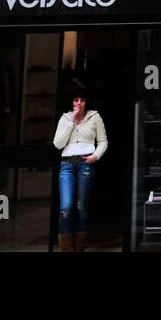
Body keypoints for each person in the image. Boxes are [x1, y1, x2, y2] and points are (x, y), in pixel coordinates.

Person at [52, 81, 108, 252]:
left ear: (86, 102)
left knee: (81, 205)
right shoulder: (65, 118)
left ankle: (80, 247)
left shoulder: (95, 117)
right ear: (71, 102)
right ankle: (65, 247)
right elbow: (57, 144)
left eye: (82, 100)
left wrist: (95, 156)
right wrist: (72, 122)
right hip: (67, 164)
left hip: (86, 163)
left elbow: (103, 141)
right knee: (66, 206)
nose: (79, 103)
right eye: (76, 100)